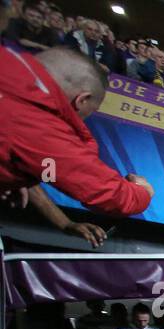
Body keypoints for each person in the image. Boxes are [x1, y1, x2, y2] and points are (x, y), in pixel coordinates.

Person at [0, 45, 153, 216]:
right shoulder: (39, 126)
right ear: (82, 100)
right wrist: (144, 191)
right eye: (92, 111)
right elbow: (116, 197)